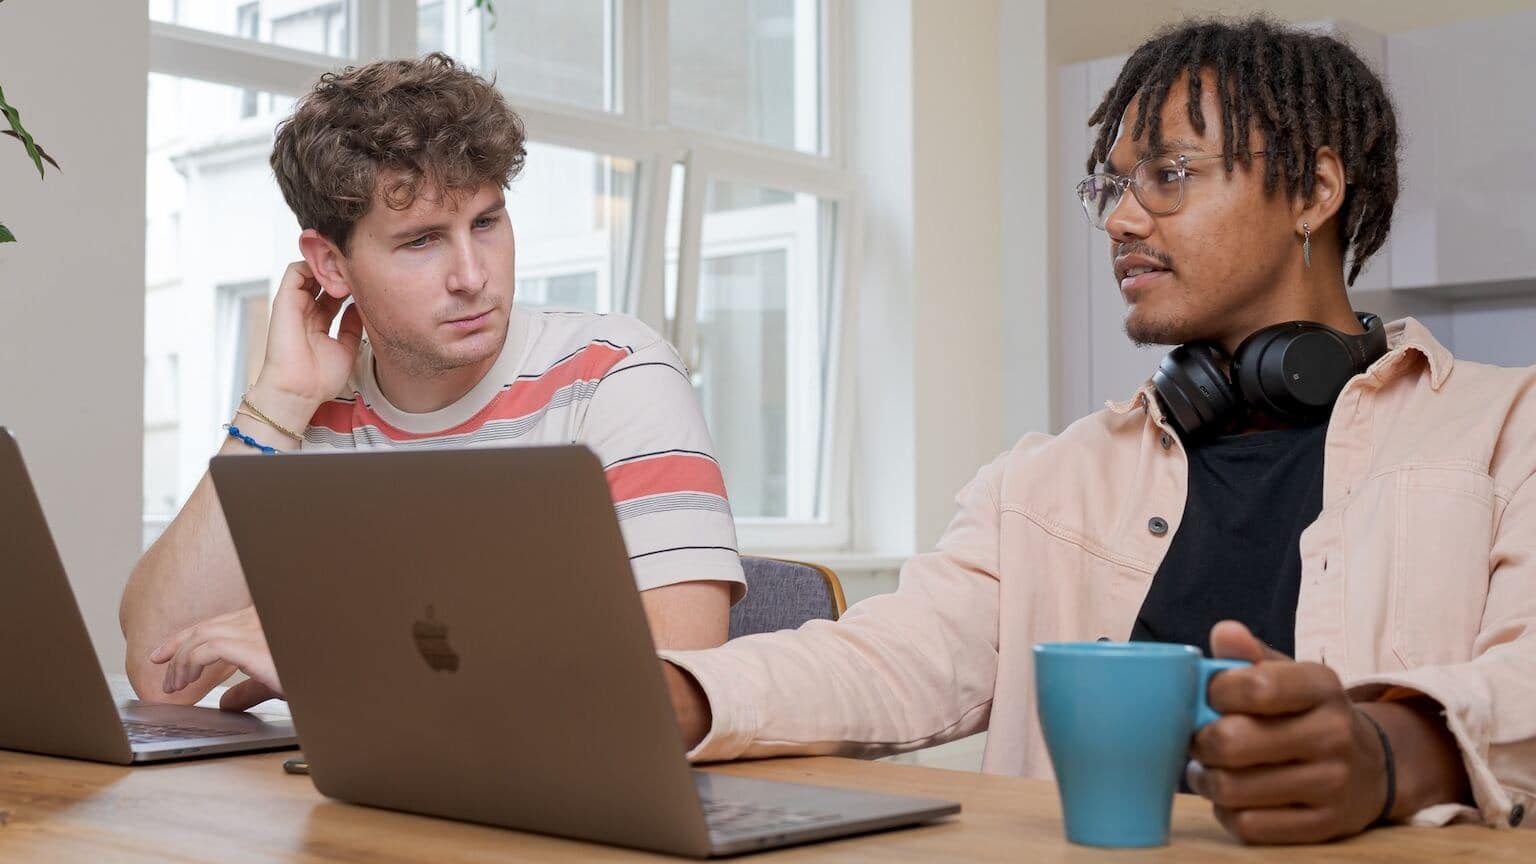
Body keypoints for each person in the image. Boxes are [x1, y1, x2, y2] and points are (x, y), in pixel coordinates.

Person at [656, 18, 1535, 844]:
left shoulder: (1506, 429)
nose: (1120, 218)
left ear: (1315, 188)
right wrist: (678, 695)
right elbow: (891, 658)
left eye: (1169, 175)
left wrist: (1390, 753)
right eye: (1111, 185)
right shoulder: (1042, 482)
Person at [121, 53, 744, 712]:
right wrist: (277, 402)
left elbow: (680, 684)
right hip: (362, 793)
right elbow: (162, 673)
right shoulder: (313, 413)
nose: (473, 275)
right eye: (421, 242)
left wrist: (346, 666)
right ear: (330, 264)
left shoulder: (615, 374)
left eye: (485, 222)